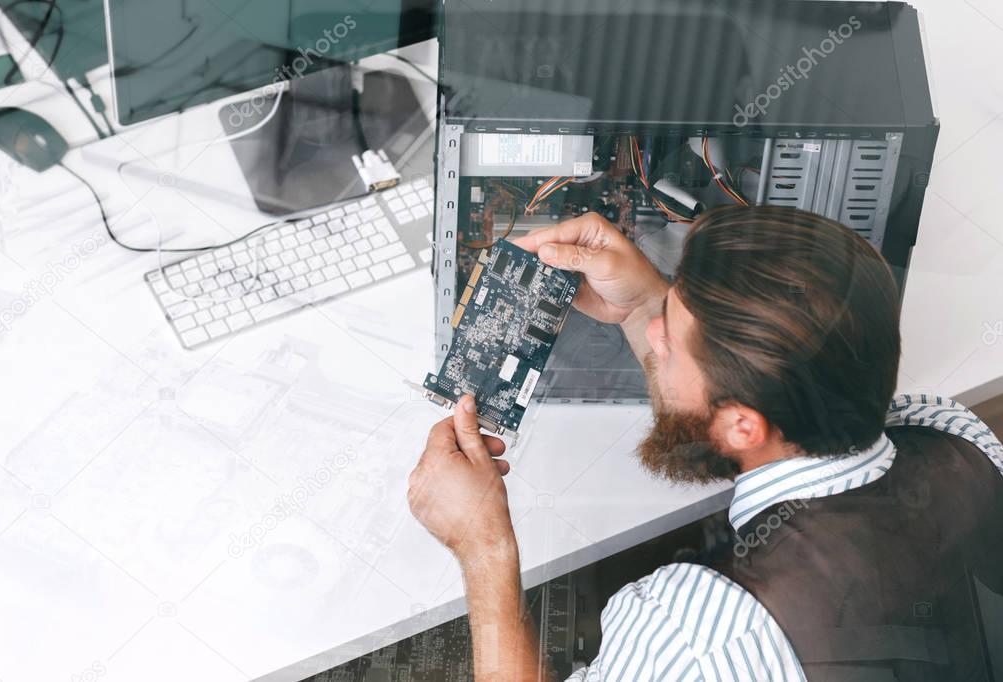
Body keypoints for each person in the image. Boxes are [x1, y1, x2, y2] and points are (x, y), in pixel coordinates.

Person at [407, 206, 1003, 681]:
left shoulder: (693, 634)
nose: (657, 331)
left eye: (672, 334)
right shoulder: (951, 433)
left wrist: (483, 546)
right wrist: (644, 305)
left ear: (743, 427)